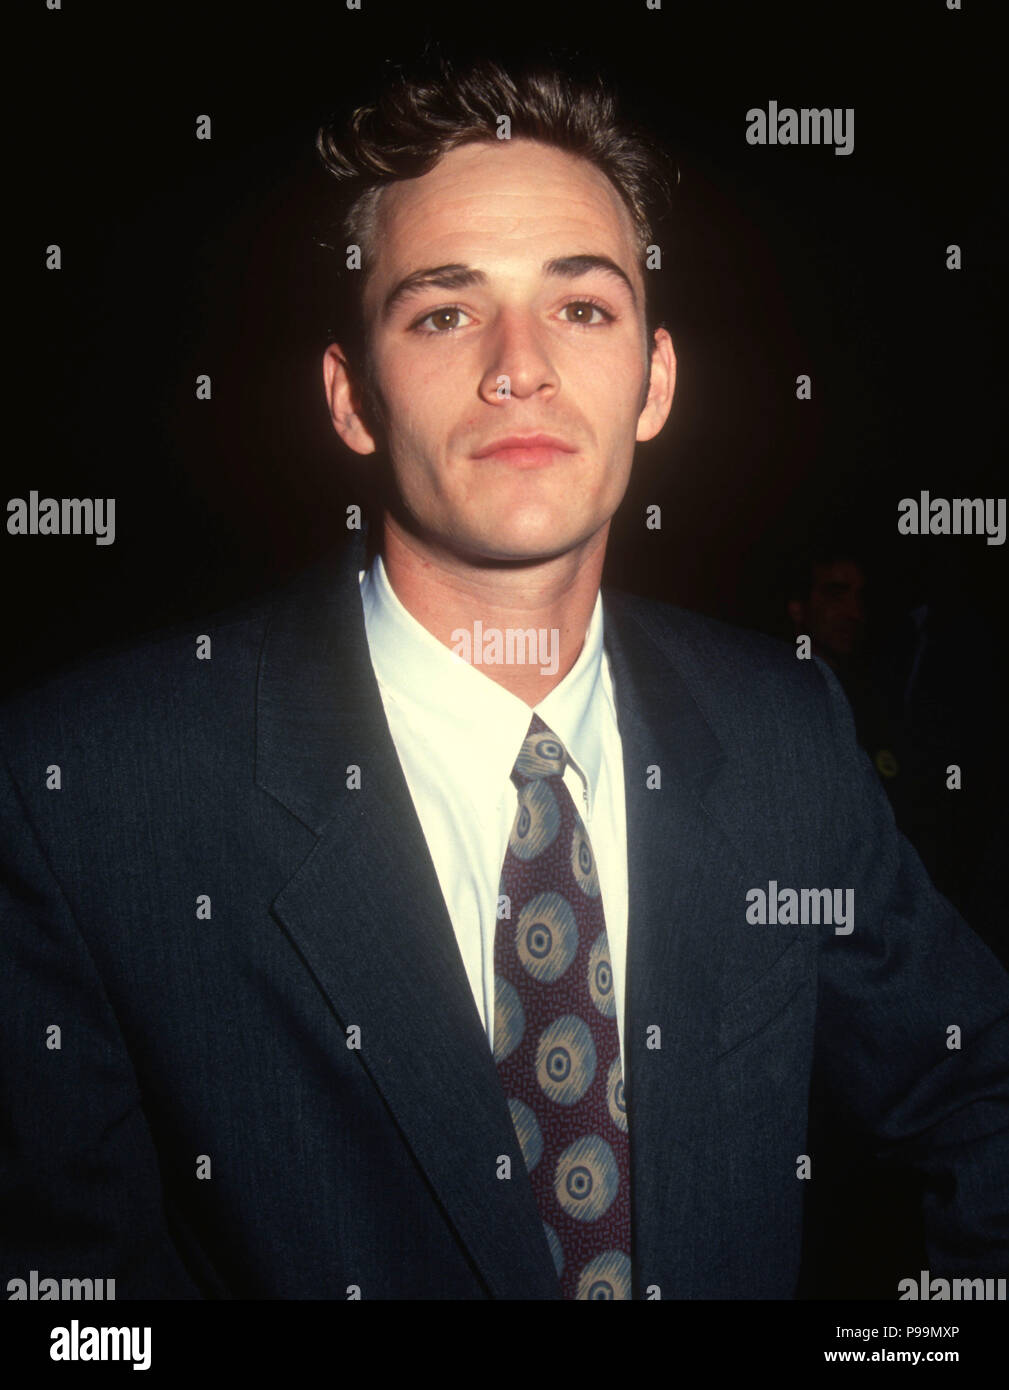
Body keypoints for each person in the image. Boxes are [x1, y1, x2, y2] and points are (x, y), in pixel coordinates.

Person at [2, 57, 1007, 1302]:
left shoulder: (778, 730)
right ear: (351, 399)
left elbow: (975, 1081)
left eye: (582, 307)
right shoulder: (88, 791)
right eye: (443, 311)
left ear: (655, 380)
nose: (518, 364)